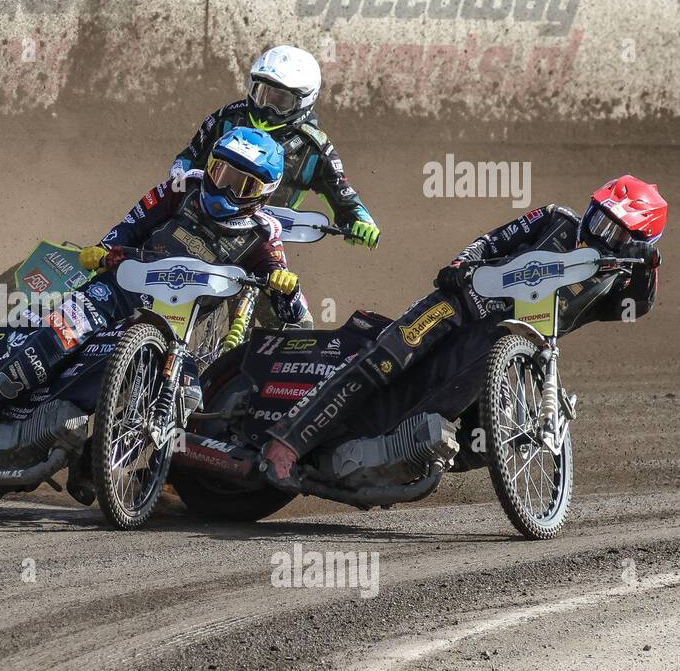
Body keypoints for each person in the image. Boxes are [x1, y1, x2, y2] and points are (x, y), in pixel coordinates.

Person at [0, 127, 306, 470]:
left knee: (189, 400)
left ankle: (106, 467)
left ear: (263, 193)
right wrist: (103, 251)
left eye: (241, 183)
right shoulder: (184, 186)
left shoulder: (265, 232)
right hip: (116, 289)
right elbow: (129, 226)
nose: (222, 186)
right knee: (37, 355)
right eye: (220, 171)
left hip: (176, 325)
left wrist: (285, 286)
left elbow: (281, 288)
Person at [260, 175, 667, 487]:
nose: (598, 230)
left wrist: (647, 264)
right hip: (460, 304)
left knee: (492, 438)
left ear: (636, 243)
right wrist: (461, 266)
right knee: (385, 360)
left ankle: (394, 462)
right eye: (598, 215)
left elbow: (642, 306)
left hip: (507, 346)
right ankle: (288, 441)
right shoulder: (556, 219)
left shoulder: (620, 284)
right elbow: (493, 241)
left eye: (615, 230)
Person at [169, 45, 379, 327]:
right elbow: (187, 156)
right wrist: (179, 179)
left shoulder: (314, 147)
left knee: (298, 325)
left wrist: (361, 221)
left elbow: (344, 194)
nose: (265, 106)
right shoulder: (227, 118)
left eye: (279, 100)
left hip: (257, 242)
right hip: (201, 220)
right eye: (261, 92)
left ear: (304, 102)